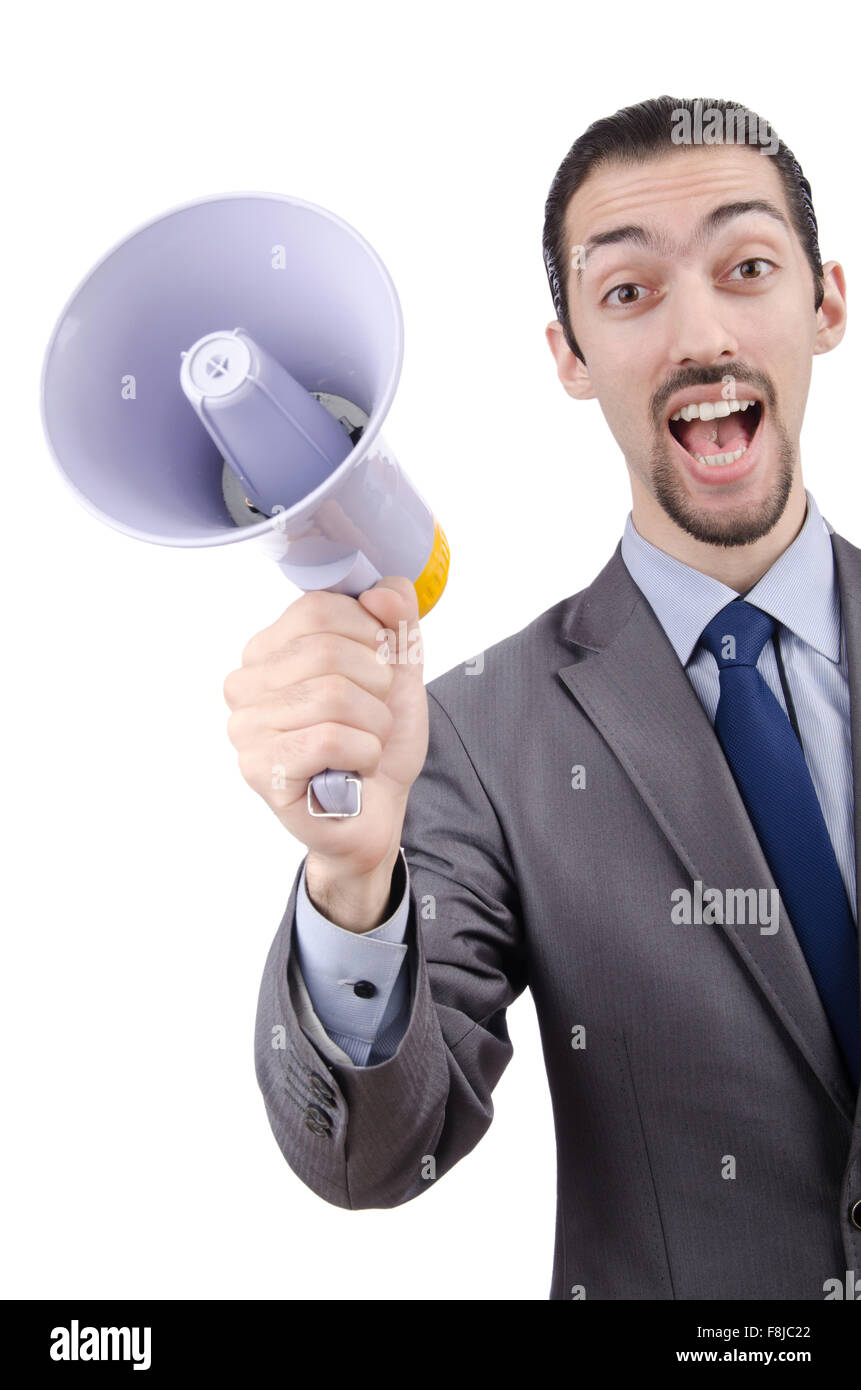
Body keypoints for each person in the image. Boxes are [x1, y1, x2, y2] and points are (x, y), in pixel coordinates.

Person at [223, 95, 861, 1300]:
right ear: (568, 352)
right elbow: (372, 1150)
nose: (699, 334)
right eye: (629, 292)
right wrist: (352, 883)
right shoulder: (480, 733)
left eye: (748, 266)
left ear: (825, 302)